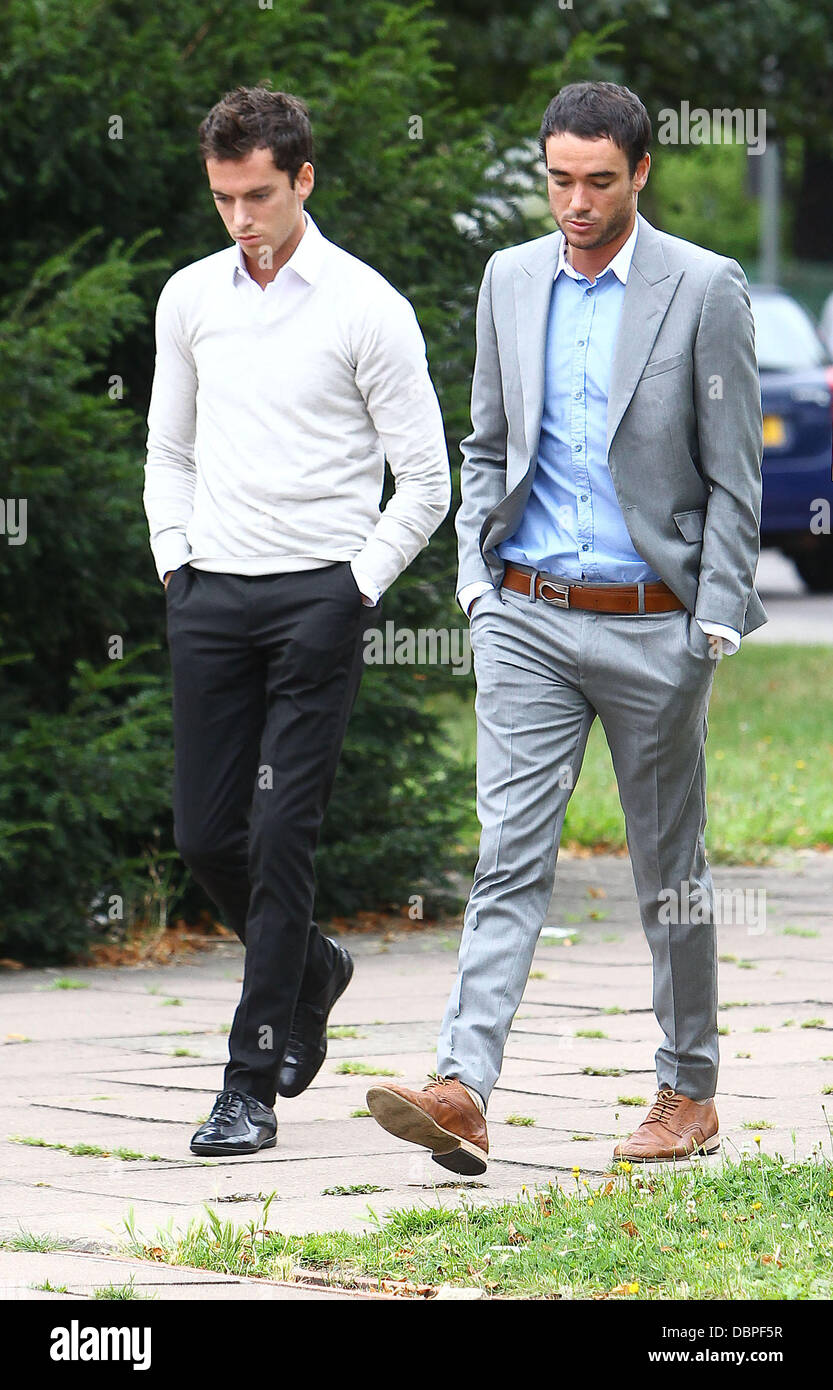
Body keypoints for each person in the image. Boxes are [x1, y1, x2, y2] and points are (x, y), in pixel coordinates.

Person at [366, 81, 766, 1173]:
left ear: (638, 172)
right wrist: (475, 590)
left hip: (655, 627)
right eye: (558, 179)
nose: (575, 202)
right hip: (527, 616)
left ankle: (686, 1092)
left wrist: (713, 626)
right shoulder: (509, 278)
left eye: (597, 181)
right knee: (505, 854)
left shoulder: (702, 288)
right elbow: (485, 441)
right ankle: (459, 1086)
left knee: (665, 869)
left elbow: (735, 476)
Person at [143, 85, 450, 1156]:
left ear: (302, 180)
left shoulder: (366, 306)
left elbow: (424, 478)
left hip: (319, 594)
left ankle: (250, 1084)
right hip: (210, 595)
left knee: (279, 836)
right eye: (224, 196)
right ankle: (311, 964)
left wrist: (354, 586)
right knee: (206, 832)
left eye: (260, 195)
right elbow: (168, 450)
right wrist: (175, 563)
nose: (242, 217)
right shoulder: (188, 299)